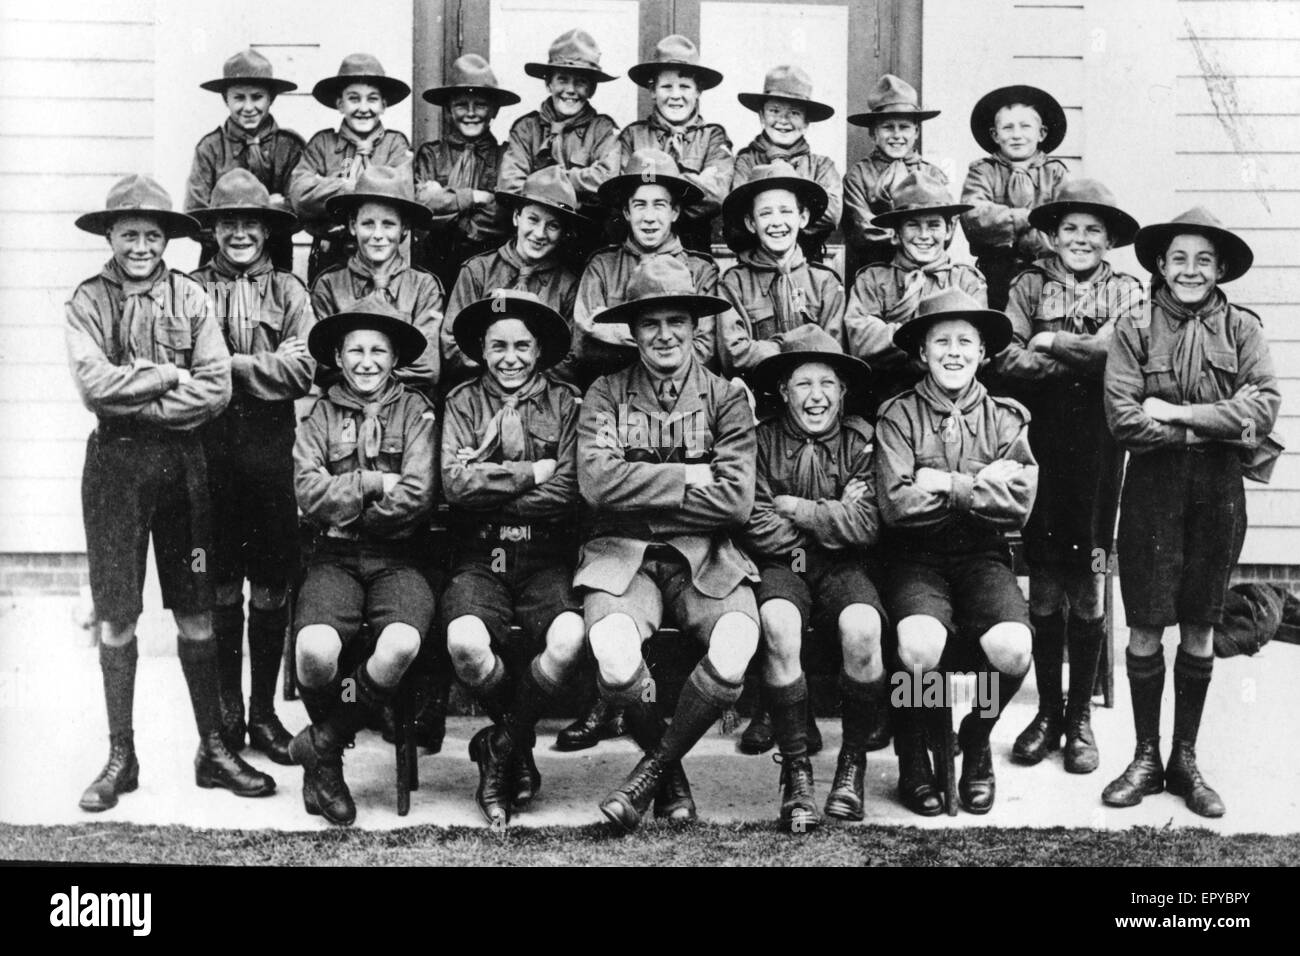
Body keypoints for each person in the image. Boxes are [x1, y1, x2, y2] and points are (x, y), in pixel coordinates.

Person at [67, 174, 275, 812]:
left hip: (184, 468)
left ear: (167, 239)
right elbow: (94, 385)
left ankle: (213, 749)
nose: (140, 246)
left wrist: (142, 399)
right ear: (110, 235)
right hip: (115, 471)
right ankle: (121, 756)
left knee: (196, 605)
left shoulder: (191, 296)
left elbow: (214, 387)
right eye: (128, 233)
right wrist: (162, 376)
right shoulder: (87, 300)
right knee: (118, 613)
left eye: (152, 234)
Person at [1102, 208, 1280, 818]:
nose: (1190, 270)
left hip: (1219, 492)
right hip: (1152, 488)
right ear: (1159, 263)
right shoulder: (1133, 328)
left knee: (1201, 622)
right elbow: (1124, 418)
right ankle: (1145, 757)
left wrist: (1176, 415)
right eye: (1178, 258)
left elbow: (1260, 414)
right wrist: (1214, 424)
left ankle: (1186, 758)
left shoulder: (1244, 330)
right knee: (1148, 621)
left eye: (1204, 259)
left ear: (1221, 268)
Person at [577, 256, 760, 832]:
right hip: (622, 552)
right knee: (612, 650)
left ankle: (653, 772)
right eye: (650, 323)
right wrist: (690, 477)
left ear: (695, 326)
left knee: (734, 645)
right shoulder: (605, 393)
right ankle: (671, 776)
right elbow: (596, 485)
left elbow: (734, 502)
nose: (664, 335)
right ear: (632, 332)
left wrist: (639, 480)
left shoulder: (727, 396)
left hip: (706, 554)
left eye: (676, 321)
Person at [994, 179, 1143, 775]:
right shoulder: (1027, 283)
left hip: (1102, 445)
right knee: (1047, 571)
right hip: (1042, 438)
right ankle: (1048, 712)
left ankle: (1079, 716)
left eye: (1093, 231)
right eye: (1070, 230)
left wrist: (1051, 339)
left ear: (1109, 239)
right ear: (1052, 236)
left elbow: (1124, 355)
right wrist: (1081, 355)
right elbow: (1006, 357)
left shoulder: (1130, 289)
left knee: (1090, 571)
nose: (1081, 239)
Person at [875, 287, 1037, 815]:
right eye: (940, 340)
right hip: (914, 559)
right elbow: (898, 506)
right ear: (921, 352)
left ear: (982, 352)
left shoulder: (1007, 419)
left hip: (982, 557)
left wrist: (942, 482)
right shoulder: (897, 416)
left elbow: (1017, 509)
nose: (953, 351)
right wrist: (979, 483)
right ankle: (915, 753)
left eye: (965, 341)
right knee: (918, 648)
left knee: (1013, 647)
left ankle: (975, 737)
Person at [287, 304, 438, 826]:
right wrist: (373, 484)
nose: (367, 361)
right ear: (337, 356)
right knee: (314, 649)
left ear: (395, 357)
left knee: (399, 643)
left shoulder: (417, 412)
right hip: (334, 558)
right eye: (356, 350)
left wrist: (346, 510)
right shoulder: (320, 416)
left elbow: (418, 494)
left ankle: (324, 743)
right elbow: (307, 492)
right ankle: (327, 765)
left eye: (378, 351)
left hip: (399, 558)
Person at [441, 291, 585, 826]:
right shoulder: (460, 402)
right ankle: (517, 750)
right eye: (497, 346)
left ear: (540, 350)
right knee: (465, 644)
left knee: (570, 638)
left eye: (522, 346)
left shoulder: (567, 403)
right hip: (482, 551)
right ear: (481, 348)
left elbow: (569, 489)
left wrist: (492, 484)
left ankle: (499, 746)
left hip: (544, 552)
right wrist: (531, 473)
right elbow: (454, 486)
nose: (510, 358)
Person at [190, 170, 317, 765]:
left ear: (267, 229)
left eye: (250, 222)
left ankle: (264, 712)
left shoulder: (291, 291)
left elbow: (303, 371)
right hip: (207, 449)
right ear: (212, 229)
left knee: (269, 584)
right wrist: (260, 364)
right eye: (228, 222)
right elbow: (187, 375)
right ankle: (226, 714)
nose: (240, 233)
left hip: (271, 450)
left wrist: (222, 365)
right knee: (218, 584)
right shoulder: (186, 289)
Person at [742, 328, 886, 830]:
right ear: (783, 391)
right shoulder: (760, 440)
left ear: (844, 392)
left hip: (845, 568)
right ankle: (797, 768)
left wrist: (799, 508)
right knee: (776, 622)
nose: (817, 396)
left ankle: (852, 763)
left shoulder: (862, 440)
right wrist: (829, 522)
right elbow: (754, 520)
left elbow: (866, 523)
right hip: (784, 565)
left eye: (828, 383)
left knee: (864, 627)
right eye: (803, 384)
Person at [571, 148, 720, 389]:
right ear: (627, 212)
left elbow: (704, 351)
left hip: (682, 395)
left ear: (675, 212)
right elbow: (584, 348)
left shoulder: (700, 271)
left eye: (659, 205)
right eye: (640, 205)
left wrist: (615, 332)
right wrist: (666, 345)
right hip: (615, 395)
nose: (649, 217)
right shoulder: (603, 266)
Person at [843, 170, 983, 411]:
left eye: (934, 225)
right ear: (896, 234)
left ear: (948, 231)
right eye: (913, 225)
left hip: (952, 402)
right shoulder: (873, 280)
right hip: (885, 398)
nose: (924, 235)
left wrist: (895, 341)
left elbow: (978, 346)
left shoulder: (966, 281)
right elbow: (861, 339)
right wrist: (932, 343)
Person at [442, 166, 585, 388]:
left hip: (542, 399)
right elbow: (452, 344)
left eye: (553, 226)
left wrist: (525, 380)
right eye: (533, 219)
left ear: (563, 232)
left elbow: (571, 357)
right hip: (482, 394)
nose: (539, 234)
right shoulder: (478, 271)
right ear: (517, 217)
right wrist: (500, 372)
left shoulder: (568, 285)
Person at [310, 165, 443, 396]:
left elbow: (426, 370)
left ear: (404, 229)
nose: (378, 234)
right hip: (341, 410)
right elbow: (322, 368)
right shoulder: (329, 286)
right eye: (368, 223)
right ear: (353, 226)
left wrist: (357, 370)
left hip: (405, 410)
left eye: (389, 224)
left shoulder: (424, 286)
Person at [497, 28, 620, 260]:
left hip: (586, 247)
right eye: (562, 79)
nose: (570, 90)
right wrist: (577, 186)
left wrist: (545, 182)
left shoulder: (603, 130)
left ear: (592, 88)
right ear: (549, 83)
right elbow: (510, 185)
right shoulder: (526, 129)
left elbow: (607, 181)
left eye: (581, 82)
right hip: (532, 244)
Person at [290, 54, 413, 282]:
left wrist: (327, 188)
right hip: (331, 257)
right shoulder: (322, 144)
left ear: (384, 105)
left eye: (372, 99)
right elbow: (300, 194)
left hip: (383, 259)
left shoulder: (395, 145)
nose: (363, 108)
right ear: (340, 104)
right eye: (354, 99)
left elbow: (402, 194)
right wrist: (349, 187)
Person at [717, 160, 842, 378]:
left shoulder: (824, 282)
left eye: (785, 211)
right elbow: (734, 355)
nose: (776, 222)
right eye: (765, 213)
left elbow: (833, 351)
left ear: (802, 218)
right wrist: (796, 343)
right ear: (751, 223)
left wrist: (768, 349)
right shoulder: (734, 283)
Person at [186, 49, 303, 270]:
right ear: (225, 99)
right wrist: (269, 208)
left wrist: (225, 212)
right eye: (239, 97)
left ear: (271, 98)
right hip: (218, 263)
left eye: (257, 97)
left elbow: (298, 211)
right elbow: (196, 215)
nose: (248, 108)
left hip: (275, 261)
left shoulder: (289, 147)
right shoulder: (210, 148)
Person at [414, 54, 519, 294]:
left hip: (491, 266)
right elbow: (422, 207)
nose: (471, 113)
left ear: (494, 110)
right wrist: (474, 197)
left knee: (487, 319)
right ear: (449, 110)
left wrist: (448, 208)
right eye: (461, 105)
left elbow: (501, 214)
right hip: (435, 265)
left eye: (480, 105)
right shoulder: (431, 154)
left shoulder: (507, 157)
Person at [618, 35, 733, 253]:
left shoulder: (713, 137)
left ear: (698, 91)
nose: (675, 96)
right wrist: (693, 183)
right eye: (666, 87)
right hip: (639, 252)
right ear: (652, 91)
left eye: (685, 87)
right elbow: (623, 195)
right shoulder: (633, 136)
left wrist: (653, 181)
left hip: (694, 254)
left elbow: (717, 196)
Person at [960, 84, 1069, 310]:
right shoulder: (982, 171)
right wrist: (1030, 218)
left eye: (1025, 127)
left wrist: (1007, 223)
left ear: (1041, 133)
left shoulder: (1055, 173)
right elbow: (975, 217)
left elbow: (1062, 222)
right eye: (1007, 128)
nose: (1017, 135)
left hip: (1046, 269)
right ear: (995, 135)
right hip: (996, 271)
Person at [729, 65, 841, 262]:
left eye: (795, 113)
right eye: (774, 110)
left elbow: (831, 215)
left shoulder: (822, 166)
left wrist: (768, 219)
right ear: (762, 116)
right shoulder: (746, 161)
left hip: (809, 264)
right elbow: (737, 215)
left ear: (807, 122)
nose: (783, 120)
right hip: (753, 264)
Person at [842, 75, 945, 284]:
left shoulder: (933, 175)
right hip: (874, 274)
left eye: (904, 127)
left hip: (926, 273)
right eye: (888, 127)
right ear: (873, 134)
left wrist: (915, 239)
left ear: (916, 131)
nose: (897, 135)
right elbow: (865, 230)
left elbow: (945, 230)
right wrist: (909, 238)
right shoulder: (858, 176)